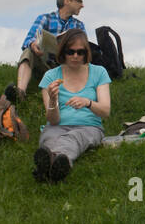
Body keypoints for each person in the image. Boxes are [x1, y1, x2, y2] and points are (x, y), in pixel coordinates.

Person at [34, 30, 111, 182]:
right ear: (63, 52)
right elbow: (53, 120)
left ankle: (52, 165)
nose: (75, 56)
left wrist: (88, 103)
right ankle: (55, 167)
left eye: (80, 52)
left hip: (88, 126)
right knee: (49, 138)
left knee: (74, 138)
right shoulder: (51, 76)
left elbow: (105, 111)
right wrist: (52, 99)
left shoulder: (98, 72)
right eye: (70, 52)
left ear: (86, 53)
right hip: (57, 126)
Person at [7, 0, 86, 102]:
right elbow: (28, 40)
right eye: (79, 1)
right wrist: (33, 44)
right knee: (28, 51)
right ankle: (20, 92)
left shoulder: (79, 25)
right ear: (67, 1)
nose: (82, 5)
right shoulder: (45, 19)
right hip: (44, 64)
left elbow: (85, 51)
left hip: (66, 68)